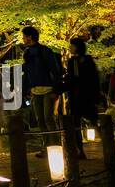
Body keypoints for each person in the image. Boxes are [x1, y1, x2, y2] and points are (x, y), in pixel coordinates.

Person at [21, 26, 63, 155]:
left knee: (48, 118)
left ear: (30, 37)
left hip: (48, 89)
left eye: (24, 36)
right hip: (35, 90)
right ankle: (46, 147)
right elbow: (27, 72)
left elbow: (55, 71)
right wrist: (26, 89)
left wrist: (56, 90)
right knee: (40, 120)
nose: (23, 39)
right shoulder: (27, 53)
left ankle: (57, 147)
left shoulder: (45, 51)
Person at [64, 38, 100, 158]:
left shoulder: (87, 60)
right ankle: (80, 150)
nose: (70, 48)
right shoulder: (71, 61)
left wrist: (95, 95)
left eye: (72, 46)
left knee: (92, 120)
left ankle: (104, 141)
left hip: (85, 95)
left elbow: (94, 78)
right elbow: (70, 79)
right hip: (75, 96)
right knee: (76, 123)